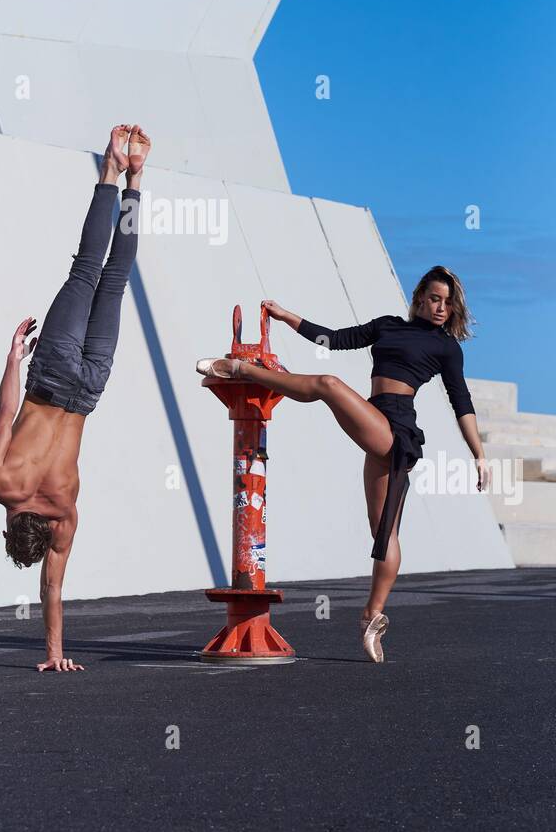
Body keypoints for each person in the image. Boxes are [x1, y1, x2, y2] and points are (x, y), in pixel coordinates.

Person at [197, 267, 488, 663]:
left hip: (397, 427)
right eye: (435, 298)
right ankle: (372, 616)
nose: (441, 307)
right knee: (382, 530)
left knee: (328, 385)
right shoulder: (387, 326)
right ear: (421, 297)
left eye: (448, 302)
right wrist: (286, 316)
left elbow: (462, 402)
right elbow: (332, 339)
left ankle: (244, 370)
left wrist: (479, 455)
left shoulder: (447, 347)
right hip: (375, 417)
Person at [0, 124, 150, 672]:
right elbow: (5, 413)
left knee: (116, 278)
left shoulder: (66, 518)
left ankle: (137, 184)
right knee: (85, 267)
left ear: (43, 531)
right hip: (50, 374)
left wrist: (57, 654)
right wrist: (11, 357)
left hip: (89, 387)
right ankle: (109, 171)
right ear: (9, 525)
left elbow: (53, 588)